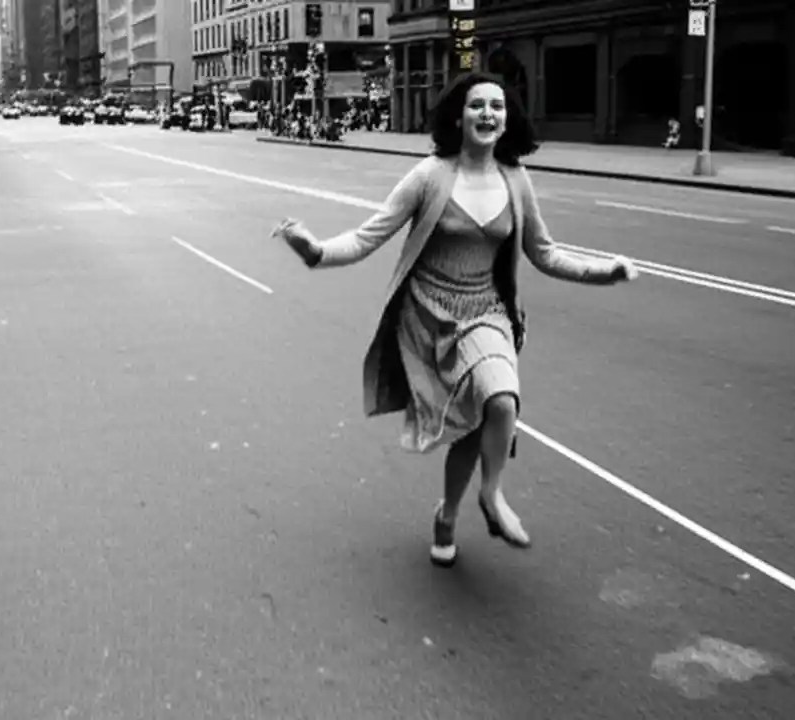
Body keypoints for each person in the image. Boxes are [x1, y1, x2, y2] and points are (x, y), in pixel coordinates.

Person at [272, 72, 638, 568]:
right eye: (476, 105)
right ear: (458, 116)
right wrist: (314, 251)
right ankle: (447, 517)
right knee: (469, 425)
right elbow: (366, 236)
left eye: (498, 106)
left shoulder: (516, 179)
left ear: (508, 118)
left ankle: (489, 496)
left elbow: (545, 253)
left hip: (488, 311)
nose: (488, 114)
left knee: (501, 402)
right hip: (433, 316)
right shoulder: (430, 175)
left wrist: (606, 272)